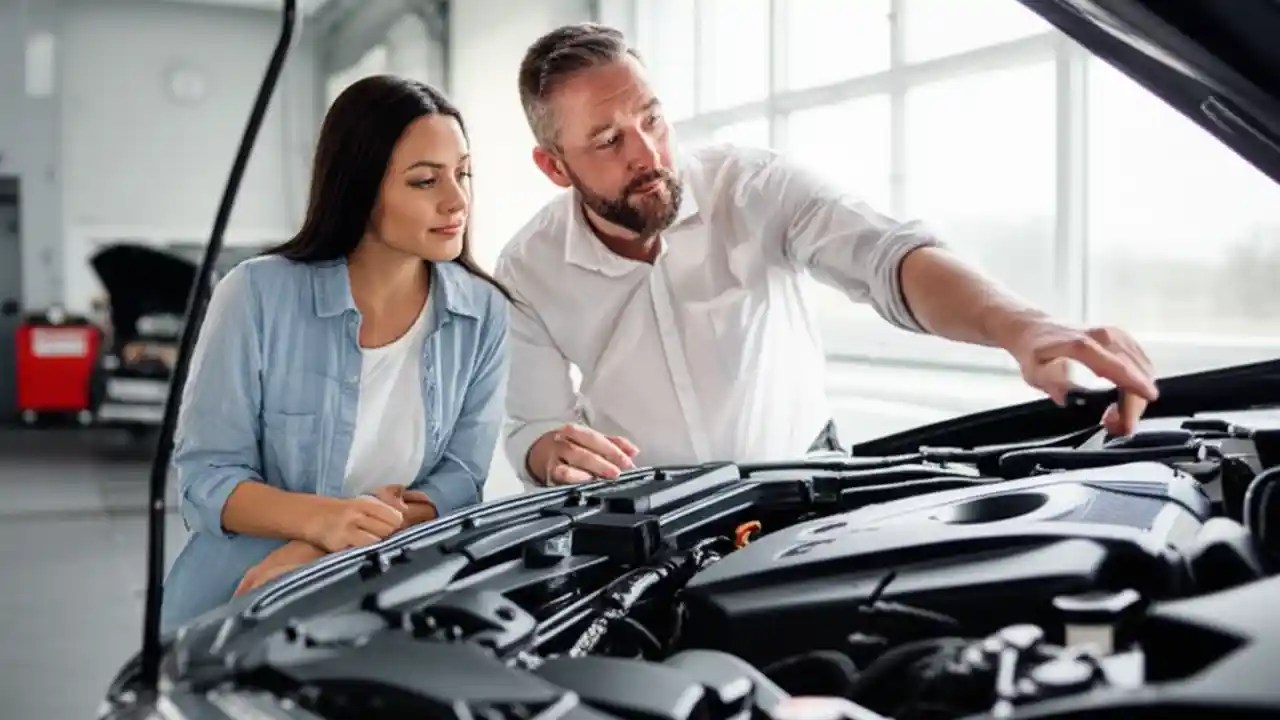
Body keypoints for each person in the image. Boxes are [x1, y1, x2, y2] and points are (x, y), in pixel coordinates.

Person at [494, 23, 1158, 489]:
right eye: (608, 139)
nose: (646, 154)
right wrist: (551, 452)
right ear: (554, 167)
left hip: (807, 482)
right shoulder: (527, 269)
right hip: (655, 519)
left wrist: (1021, 325)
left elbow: (888, 257)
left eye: (652, 118)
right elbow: (532, 427)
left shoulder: (754, 187)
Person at [159, 75, 510, 632]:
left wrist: (327, 549)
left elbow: (461, 479)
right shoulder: (256, 294)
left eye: (463, 174)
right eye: (424, 181)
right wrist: (324, 524)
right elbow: (206, 480)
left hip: (391, 601)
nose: (457, 200)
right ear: (359, 187)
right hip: (238, 599)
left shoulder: (483, 312)